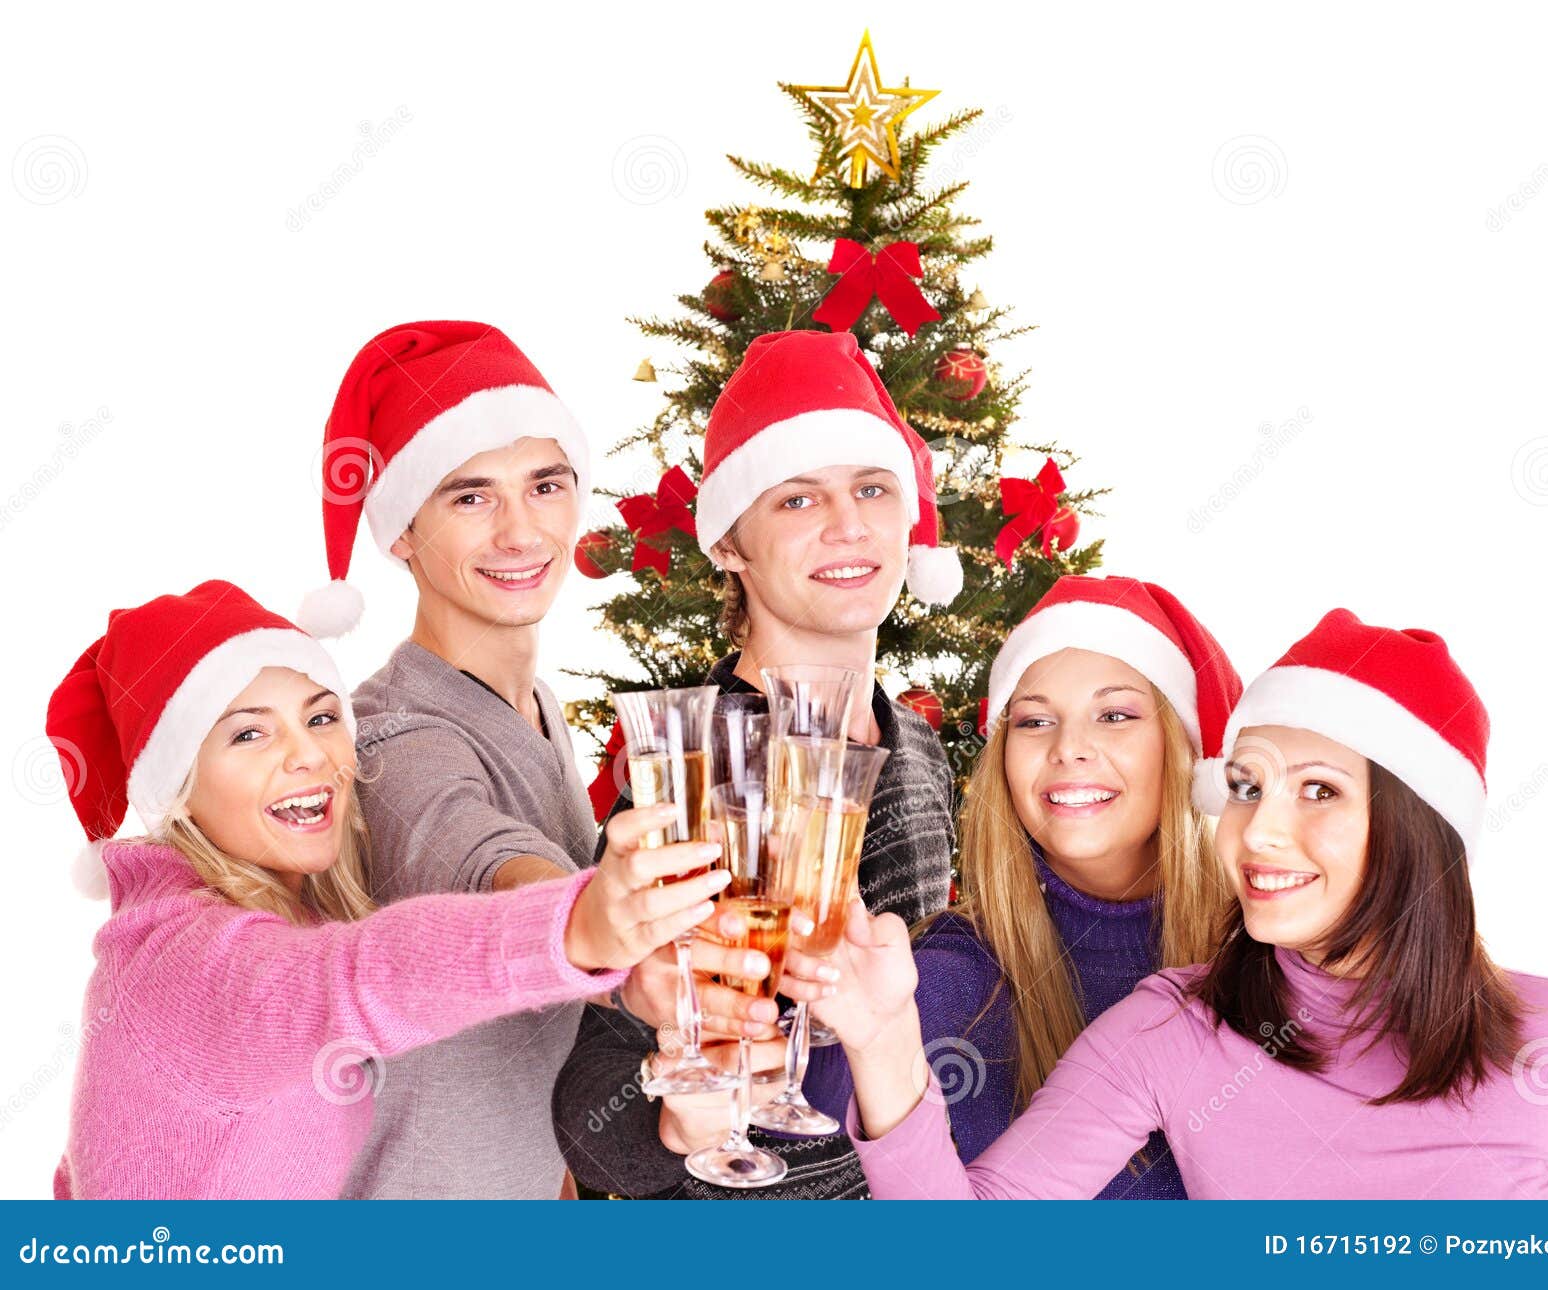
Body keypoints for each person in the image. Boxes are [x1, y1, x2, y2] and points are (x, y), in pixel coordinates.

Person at [793, 608, 1548, 1199]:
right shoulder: (1173, 1028)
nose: (1260, 832)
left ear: (1418, 829)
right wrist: (882, 1039)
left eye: (1319, 790)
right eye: (1246, 787)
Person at [47, 581, 738, 1199]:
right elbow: (361, 976)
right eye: (249, 733)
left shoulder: (271, 910)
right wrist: (574, 926)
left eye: (320, 717)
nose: (308, 754)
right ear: (179, 787)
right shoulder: (180, 958)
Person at [300, 321, 771, 1199]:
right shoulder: (395, 736)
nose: (522, 531)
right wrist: (606, 930)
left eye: (545, 486)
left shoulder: (539, 709)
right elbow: (480, 865)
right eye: (470, 498)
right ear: (402, 531)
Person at [552, 329, 960, 1199]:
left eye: (873, 489)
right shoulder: (695, 768)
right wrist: (676, 1120)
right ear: (729, 545)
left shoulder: (919, 746)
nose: (849, 525)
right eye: (797, 501)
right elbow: (594, 1110)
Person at [804, 574, 1240, 1197]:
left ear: (1184, 749)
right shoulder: (955, 973)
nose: (1069, 749)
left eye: (1114, 715)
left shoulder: (1275, 950)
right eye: (1034, 722)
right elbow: (798, 1125)